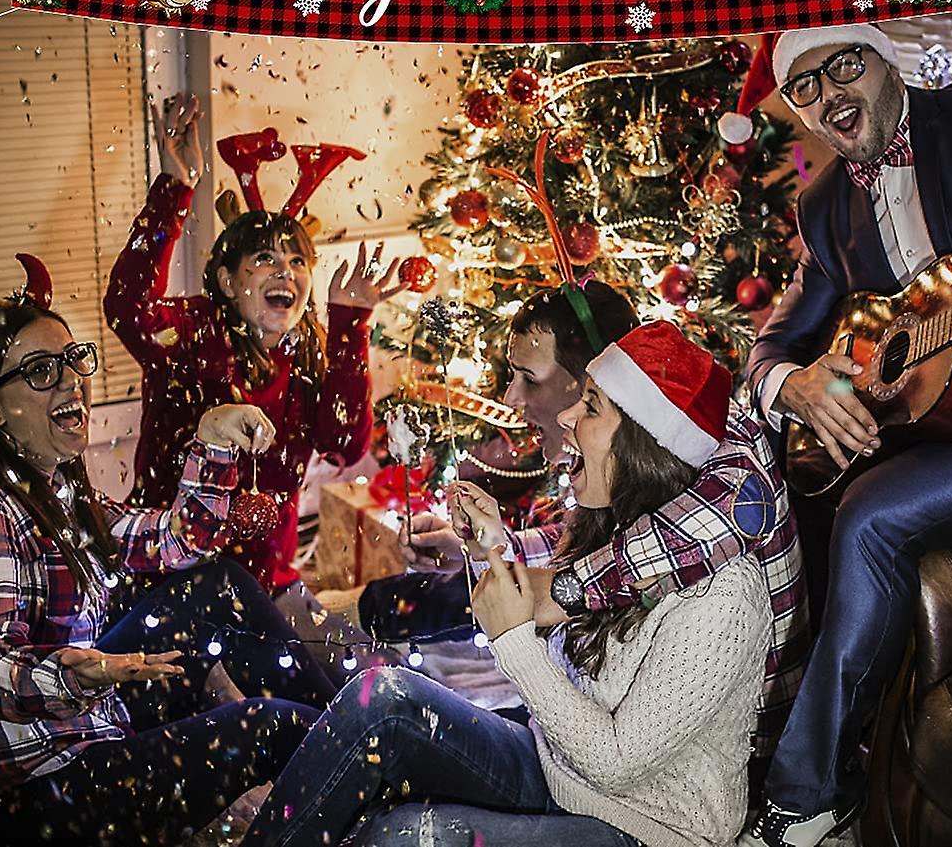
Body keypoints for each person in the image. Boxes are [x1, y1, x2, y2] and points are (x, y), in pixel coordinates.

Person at [241, 321, 773, 847]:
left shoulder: (721, 600)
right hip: (561, 774)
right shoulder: (619, 532)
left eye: (590, 407)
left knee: (404, 836)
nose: (567, 415)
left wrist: (515, 644)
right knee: (383, 696)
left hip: (648, 830)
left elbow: (615, 764)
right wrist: (488, 549)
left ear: (642, 446)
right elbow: (558, 603)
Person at [378, 280, 807, 792]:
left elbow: (675, 541)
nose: (512, 398)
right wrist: (501, 549)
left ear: (600, 383)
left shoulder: (727, 480)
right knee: (401, 712)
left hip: (713, 772)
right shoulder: (649, 464)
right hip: (613, 739)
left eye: (528, 378)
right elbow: (634, 543)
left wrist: (546, 596)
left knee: (408, 728)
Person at [739, 24, 952, 846]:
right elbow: (769, 349)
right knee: (806, 500)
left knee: (873, 516)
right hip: (949, 420)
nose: (829, 95)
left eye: (842, 65)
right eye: (805, 88)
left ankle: (804, 792)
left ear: (885, 58)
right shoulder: (822, 209)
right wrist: (802, 385)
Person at [0, 264, 341, 845]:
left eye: (72, 360)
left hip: (95, 711)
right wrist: (69, 676)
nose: (69, 383)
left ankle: (353, 724)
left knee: (218, 585)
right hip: (46, 789)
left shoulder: (58, 489)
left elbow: (174, 541)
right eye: (38, 371)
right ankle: (362, 749)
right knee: (268, 728)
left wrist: (211, 438)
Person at [103, 93, 403, 678]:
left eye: (296, 262)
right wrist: (175, 187)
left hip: (272, 587)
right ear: (224, 277)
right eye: (264, 259)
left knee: (366, 687)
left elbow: (345, 444)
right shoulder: (191, 334)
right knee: (267, 724)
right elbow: (126, 307)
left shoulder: (311, 348)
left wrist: (350, 326)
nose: (284, 272)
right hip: (177, 590)